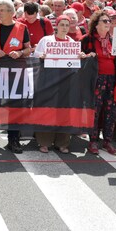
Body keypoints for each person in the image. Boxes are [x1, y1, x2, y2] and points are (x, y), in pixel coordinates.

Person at [0, 0, 31, 153]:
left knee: (15, 106)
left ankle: (13, 140)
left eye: (2, 10)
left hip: (15, 73)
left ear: (11, 12)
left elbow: (28, 49)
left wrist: (20, 52)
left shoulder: (22, 28)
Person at [82, 10, 116, 156]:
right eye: (105, 21)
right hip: (95, 79)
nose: (108, 23)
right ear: (96, 24)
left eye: (109, 21)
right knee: (95, 110)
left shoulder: (114, 40)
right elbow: (79, 57)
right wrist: (85, 56)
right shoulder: (88, 39)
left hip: (112, 80)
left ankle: (107, 141)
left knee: (111, 111)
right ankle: (93, 141)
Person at [33, 16, 83, 153]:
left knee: (64, 110)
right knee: (47, 110)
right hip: (48, 80)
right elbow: (35, 54)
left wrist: (80, 56)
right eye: (62, 24)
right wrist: (41, 55)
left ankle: (62, 142)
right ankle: (44, 142)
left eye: (67, 25)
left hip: (65, 81)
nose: (64, 27)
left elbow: (75, 62)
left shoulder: (72, 42)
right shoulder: (46, 40)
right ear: (57, 26)